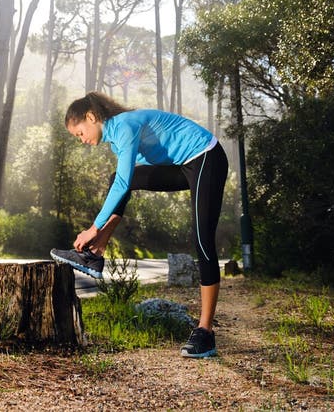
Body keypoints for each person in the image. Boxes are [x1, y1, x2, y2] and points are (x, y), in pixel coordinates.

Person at [50, 91, 229, 359]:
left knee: (202, 240)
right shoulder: (117, 138)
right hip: (182, 165)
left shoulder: (124, 125)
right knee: (119, 179)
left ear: (91, 117)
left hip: (206, 156)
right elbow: (126, 179)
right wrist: (99, 232)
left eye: (80, 133)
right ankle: (95, 253)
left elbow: (124, 183)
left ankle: (205, 332)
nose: (82, 140)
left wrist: (93, 228)